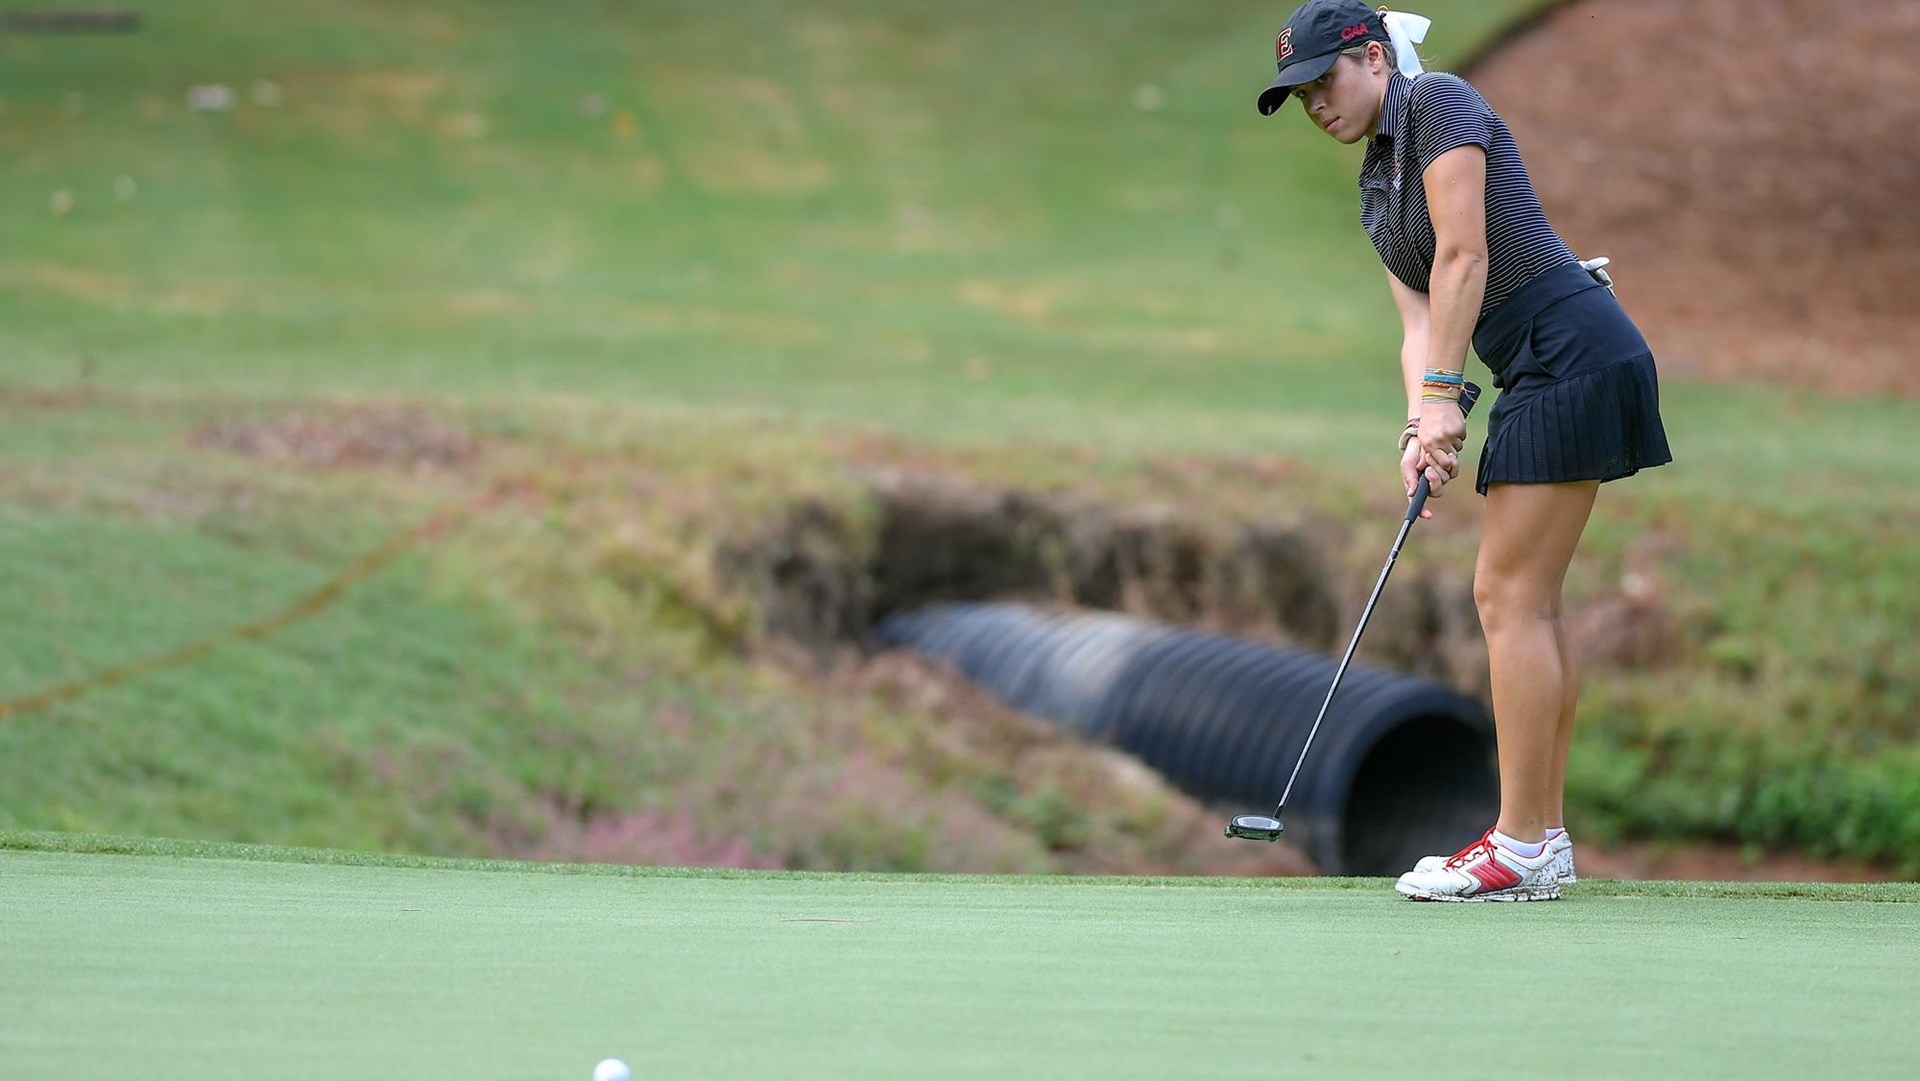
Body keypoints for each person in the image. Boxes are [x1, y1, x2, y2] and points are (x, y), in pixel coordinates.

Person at [1255, 0, 1672, 901]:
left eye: (1323, 81)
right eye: (1299, 97)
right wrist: (1420, 423)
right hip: (1541, 367)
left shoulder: (1436, 103)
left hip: (1572, 347)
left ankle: (1520, 843)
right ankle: (1543, 839)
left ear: (1370, 55)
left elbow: (1464, 259)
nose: (1316, 106)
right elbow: (1417, 320)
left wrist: (1446, 398)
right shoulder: (1375, 190)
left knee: (1507, 596)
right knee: (1534, 602)